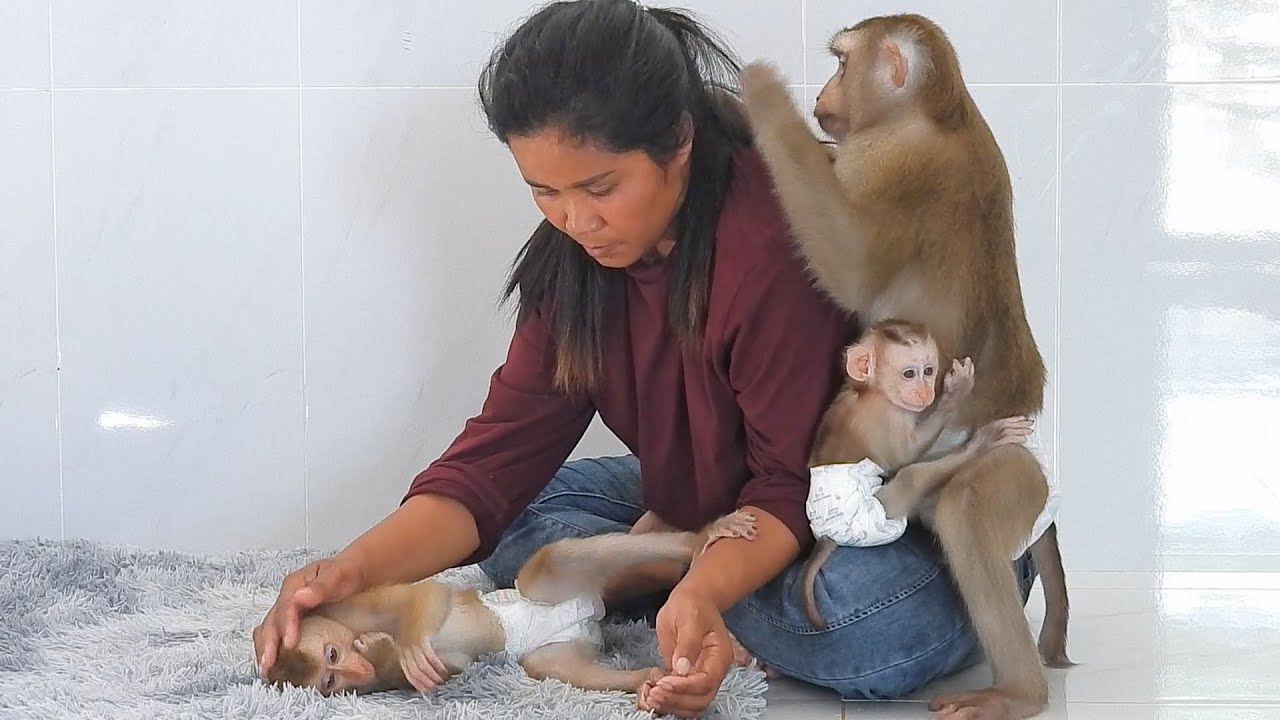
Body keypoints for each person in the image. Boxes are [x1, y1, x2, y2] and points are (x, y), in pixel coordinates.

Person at [252, 1, 1038, 716]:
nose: (573, 221)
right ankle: (680, 568)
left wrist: (702, 591)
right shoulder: (572, 265)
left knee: (870, 628)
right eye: (544, 191)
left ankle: (672, 576)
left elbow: (789, 484)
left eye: (600, 188)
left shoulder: (769, 242)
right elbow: (496, 460)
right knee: (515, 520)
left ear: (679, 143)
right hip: (718, 503)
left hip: (854, 511)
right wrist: (349, 572)